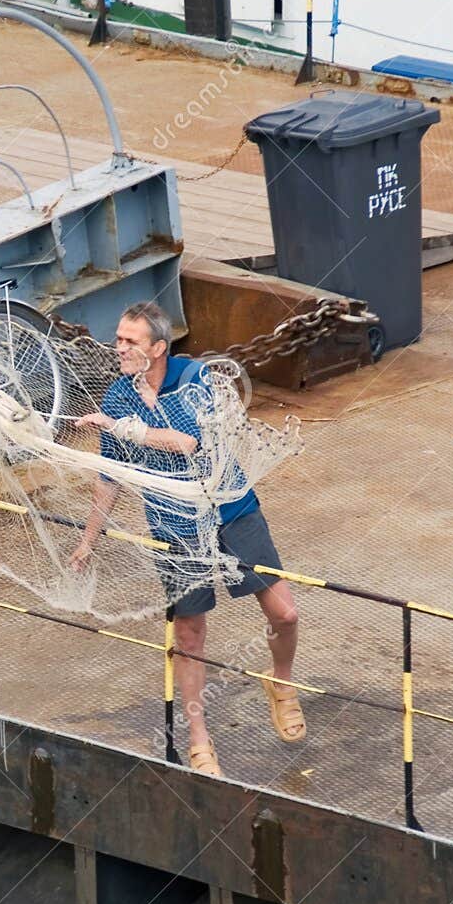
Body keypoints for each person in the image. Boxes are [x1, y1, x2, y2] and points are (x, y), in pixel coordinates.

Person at [68, 302, 303, 777]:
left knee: (284, 611)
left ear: (158, 348)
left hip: (231, 508)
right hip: (173, 523)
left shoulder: (195, 378)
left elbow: (188, 442)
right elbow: (110, 477)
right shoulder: (117, 397)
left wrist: (120, 427)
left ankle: (280, 683)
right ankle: (199, 736)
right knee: (190, 633)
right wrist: (88, 541)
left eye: (129, 341)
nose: (119, 348)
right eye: (118, 339)